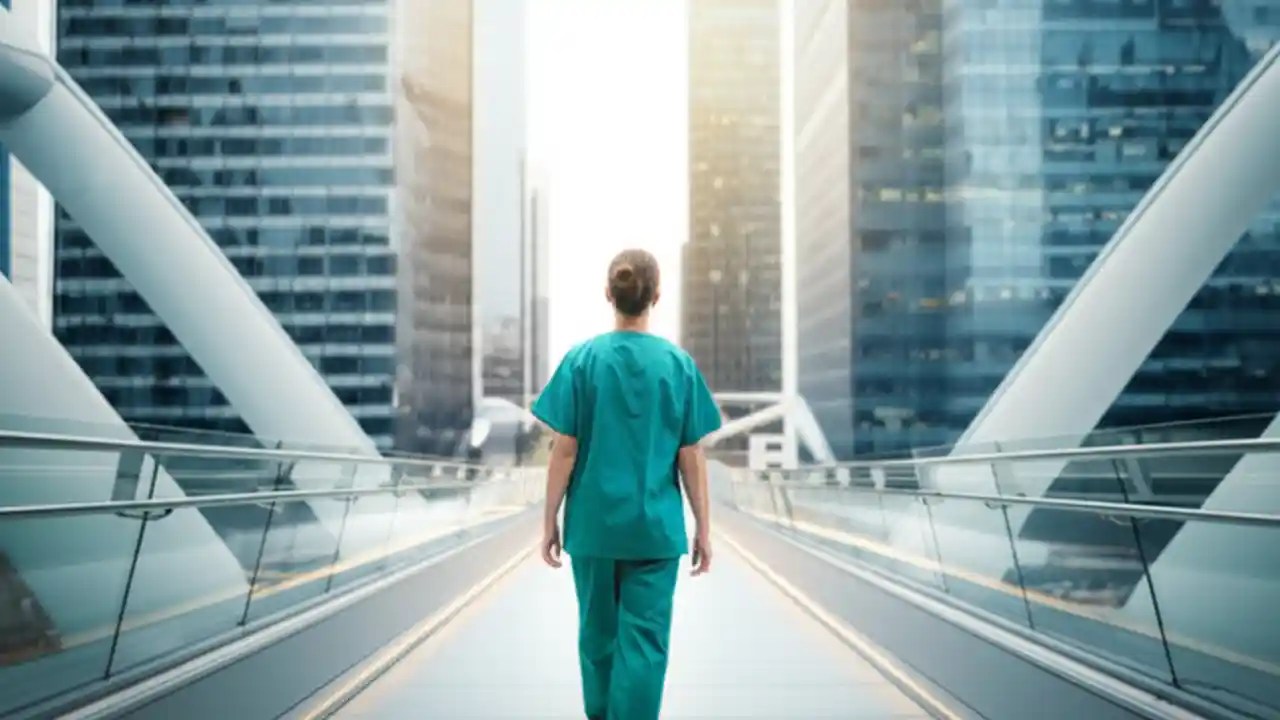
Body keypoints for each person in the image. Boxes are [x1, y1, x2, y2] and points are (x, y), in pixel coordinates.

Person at [532, 248, 722, 720]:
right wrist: (703, 528)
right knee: (645, 647)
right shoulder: (677, 365)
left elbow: (564, 451)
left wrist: (549, 520)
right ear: (656, 296)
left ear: (608, 294)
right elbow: (691, 455)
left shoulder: (581, 361)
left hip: (593, 528)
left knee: (597, 640)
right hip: (655, 531)